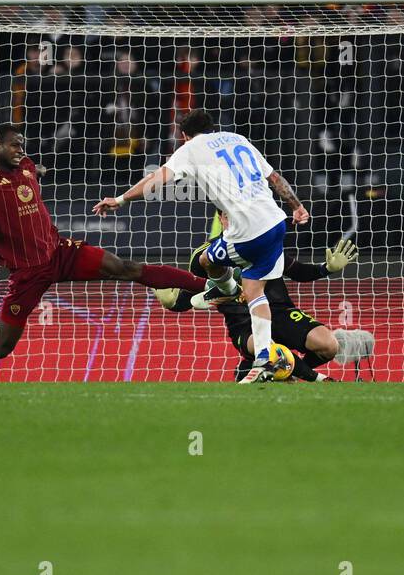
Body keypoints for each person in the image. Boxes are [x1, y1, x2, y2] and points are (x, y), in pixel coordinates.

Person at [0, 124, 210, 380]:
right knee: (1, 347)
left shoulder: (26, 167)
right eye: (14, 145)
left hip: (60, 253)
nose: (20, 150)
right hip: (28, 273)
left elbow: (32, 171)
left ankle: (208, 286)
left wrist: (38, 169)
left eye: (22, 146)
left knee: (124, 267)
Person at [94, 109, 309, 383]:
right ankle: (265, 359)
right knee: (255, 290)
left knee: (206, 261)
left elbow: (157, 179)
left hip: (249, 231)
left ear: (184, 135)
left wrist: (121, 200)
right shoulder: (237, 138)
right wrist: (297, 206)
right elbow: (275, 179)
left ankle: (224, 290)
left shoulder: (191, 148)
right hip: (277, 224)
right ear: (213, 127)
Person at [154, 228, 375, 381]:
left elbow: (297, 271)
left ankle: (279, 369)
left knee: (329, 345)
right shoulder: (203, 257)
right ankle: (314, 378)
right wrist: (172, 303)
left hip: (281, 312)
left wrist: (326, 269)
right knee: (269, 349)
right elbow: (198, 292)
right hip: (243, 325)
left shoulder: (264, 243)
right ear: (222, 218)